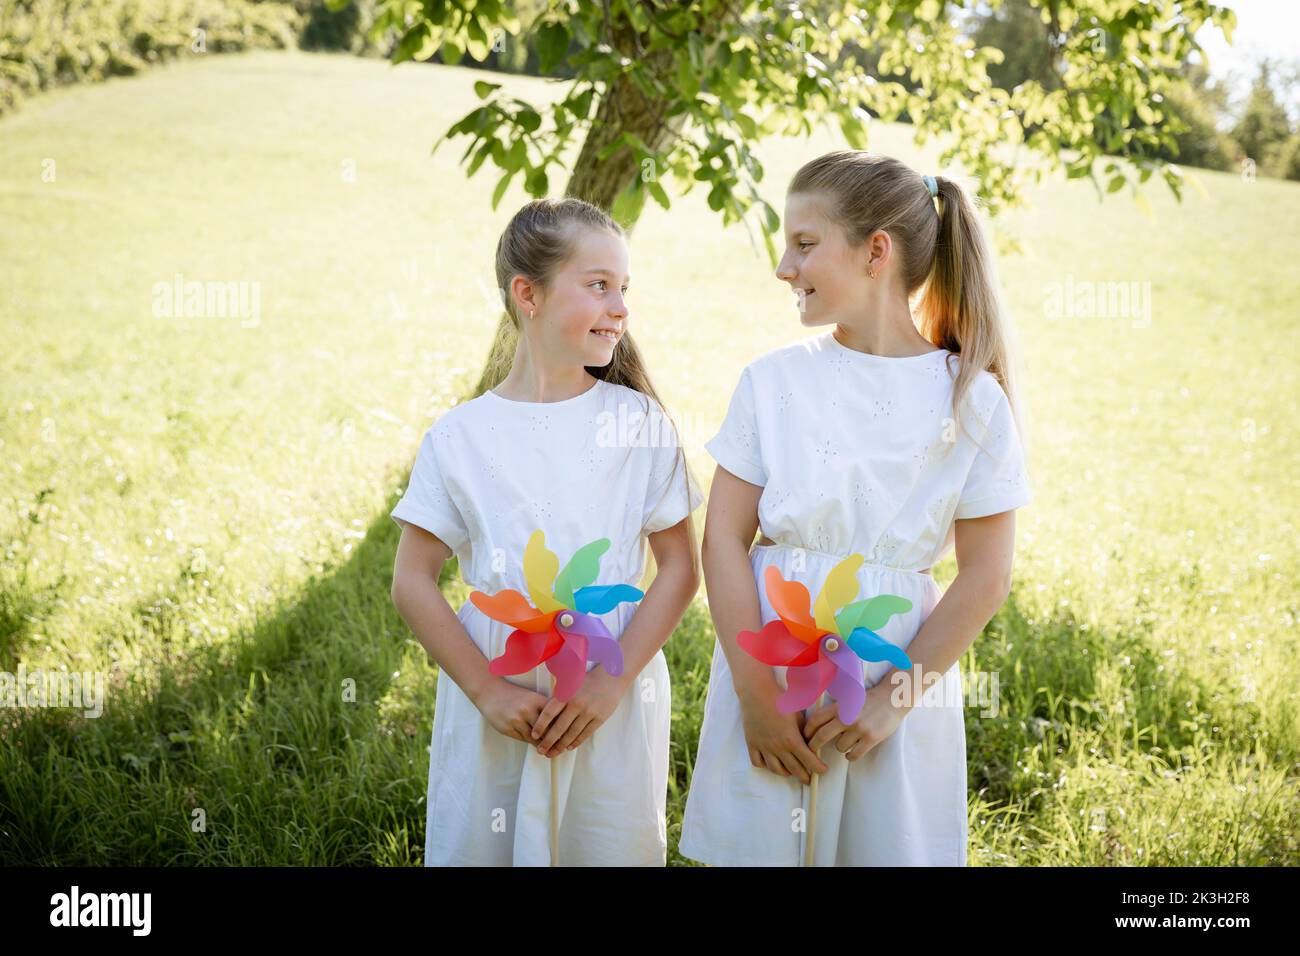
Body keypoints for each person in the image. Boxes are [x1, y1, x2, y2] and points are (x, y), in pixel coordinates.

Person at [680, 151, 1032, 866]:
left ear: (877, 250)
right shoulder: (773, 380)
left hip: (894, 679)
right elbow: (721, 539)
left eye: (804, 244)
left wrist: (889, 702)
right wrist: (754, 694)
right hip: (771, 670)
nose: (784, 266)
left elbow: (985, 576)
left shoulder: (970, 399)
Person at [390, 197, 702, 866]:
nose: (620, 306)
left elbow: (680, 568)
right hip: (498, 688)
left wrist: (609, 687)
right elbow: (412, 579)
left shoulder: (637, 423)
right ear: (527, 294)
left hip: (608, 681)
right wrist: (486, 689)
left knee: (603, 837)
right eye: (598, 286)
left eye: (624, 288)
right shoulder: (460, 436)